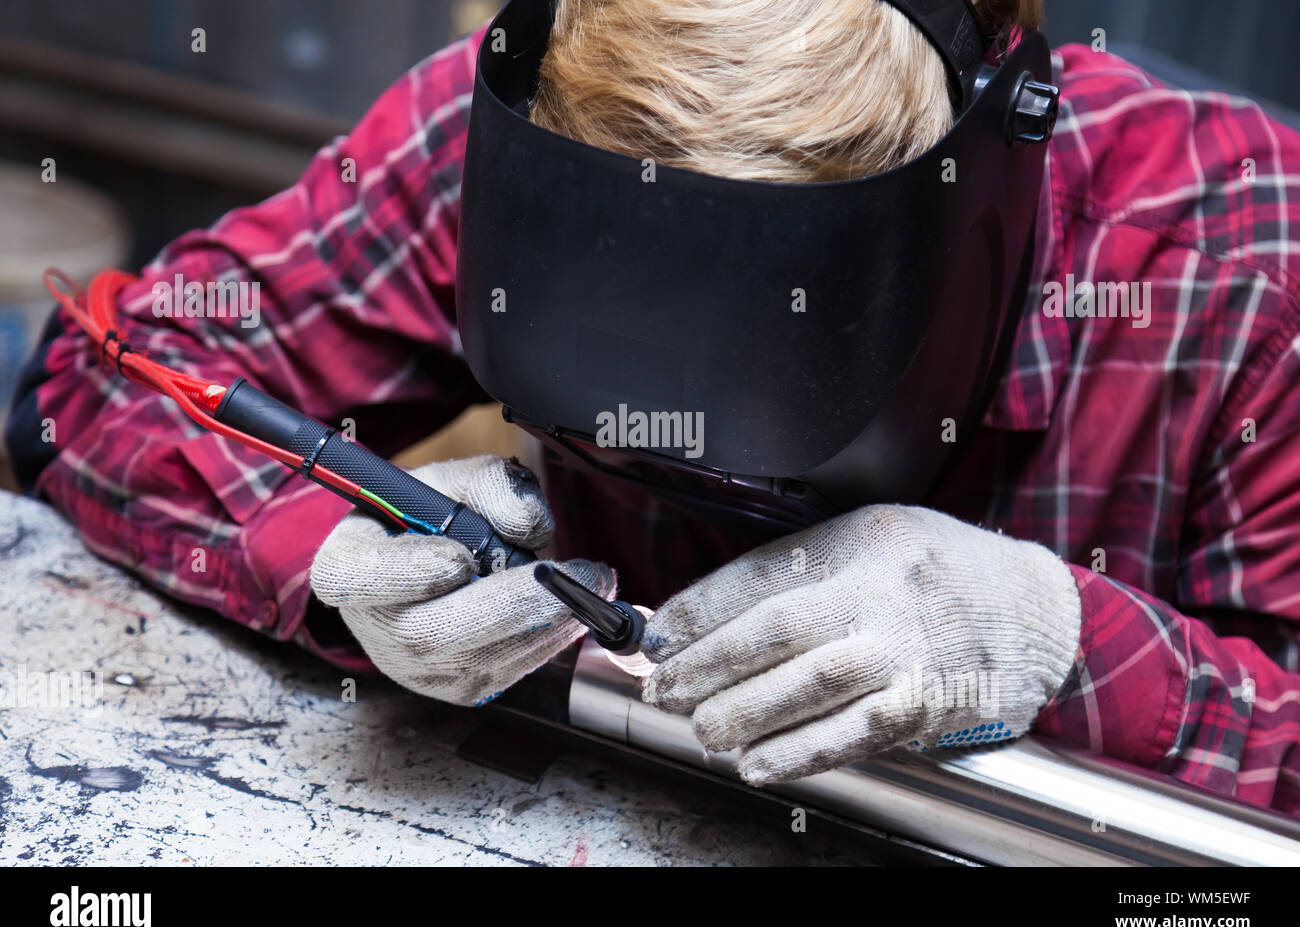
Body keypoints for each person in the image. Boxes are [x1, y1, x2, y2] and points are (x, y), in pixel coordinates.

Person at [8, 0, 1300, 814]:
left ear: (980, 204)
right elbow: (98, 383)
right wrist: (326, 553)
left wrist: (1050, 639)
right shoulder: (508, 129)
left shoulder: (1243, 264)